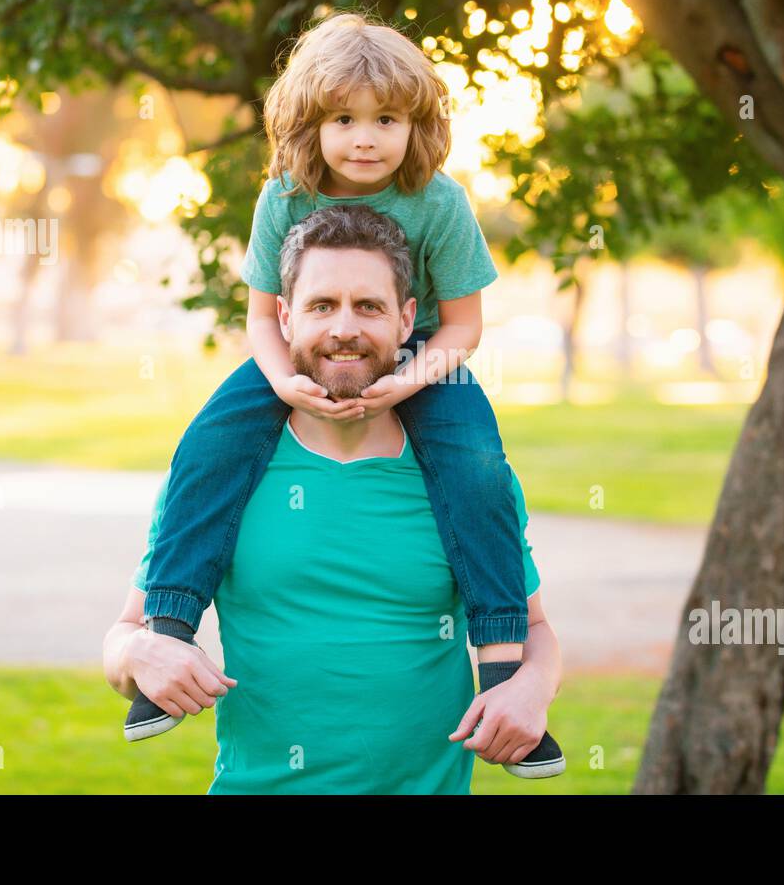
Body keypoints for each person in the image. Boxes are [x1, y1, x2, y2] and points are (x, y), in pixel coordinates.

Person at [126, 11, 560, 772]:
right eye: (345, 119)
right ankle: (166, 628)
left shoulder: (439, 201)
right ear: (310, 123)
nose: (366, 138)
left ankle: (500, 666)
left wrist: (405, 380)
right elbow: (264, 318)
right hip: (290, 357)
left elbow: (462, 328)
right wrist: (283, 378)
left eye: (386, 119)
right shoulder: (283, 196)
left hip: (420, 356)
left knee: (477, 466)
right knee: (208, 446)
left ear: (415, 123)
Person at [103, 204, 564, 792]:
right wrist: (142, 652)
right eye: (322, 306)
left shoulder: (467, 480)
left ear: (407, 321)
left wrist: (531, 683)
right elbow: (123, 637)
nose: (344, 328)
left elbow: (537, 627)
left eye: (368, 306)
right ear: (284, 318)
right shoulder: (214, 476)